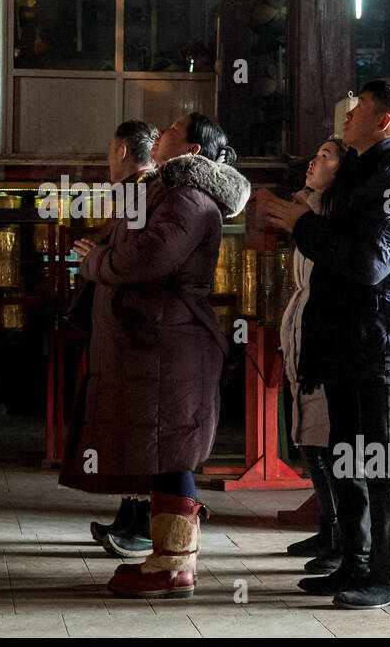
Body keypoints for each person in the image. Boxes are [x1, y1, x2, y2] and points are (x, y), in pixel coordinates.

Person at [263, 79, 390, 609]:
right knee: (348, 456)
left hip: (382, 341)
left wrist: (304, 224)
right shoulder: (359, 174)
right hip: (344, 338)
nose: (347, 113)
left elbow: (370, 263)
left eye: (358, 107)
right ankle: (355, 563)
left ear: (384, 121)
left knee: (384, 462)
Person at [65, 113, 249, 599]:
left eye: (171, 130)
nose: (160, 132)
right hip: (155, 342)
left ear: (190, 151)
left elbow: (148, 258)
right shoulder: (168, 191)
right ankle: (168, 559)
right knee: (164, 450)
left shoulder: (188, 197)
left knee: (172, 450)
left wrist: (94, 261)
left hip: (172, 344)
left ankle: (174, 564)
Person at [80, 120, 158, 558]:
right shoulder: (134, 191)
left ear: (125, 150)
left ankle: (145, 526)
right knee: (124, 427)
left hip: (135, 327)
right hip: (118, 325)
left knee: (139, 428)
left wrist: (98, 257)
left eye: (110, 150)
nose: (108, 159)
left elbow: (135, 260)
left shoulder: (144, 191)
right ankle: (130, 514)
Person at [278, 139, 347, 570]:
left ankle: (342, 537)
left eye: (324, 156)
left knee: (329, 440)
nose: (312, 160)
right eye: (313, 153)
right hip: (302, 335)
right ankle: (329, 527)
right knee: (309, 440)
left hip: (326, 341)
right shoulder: (306, 210)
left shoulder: (335, 215)